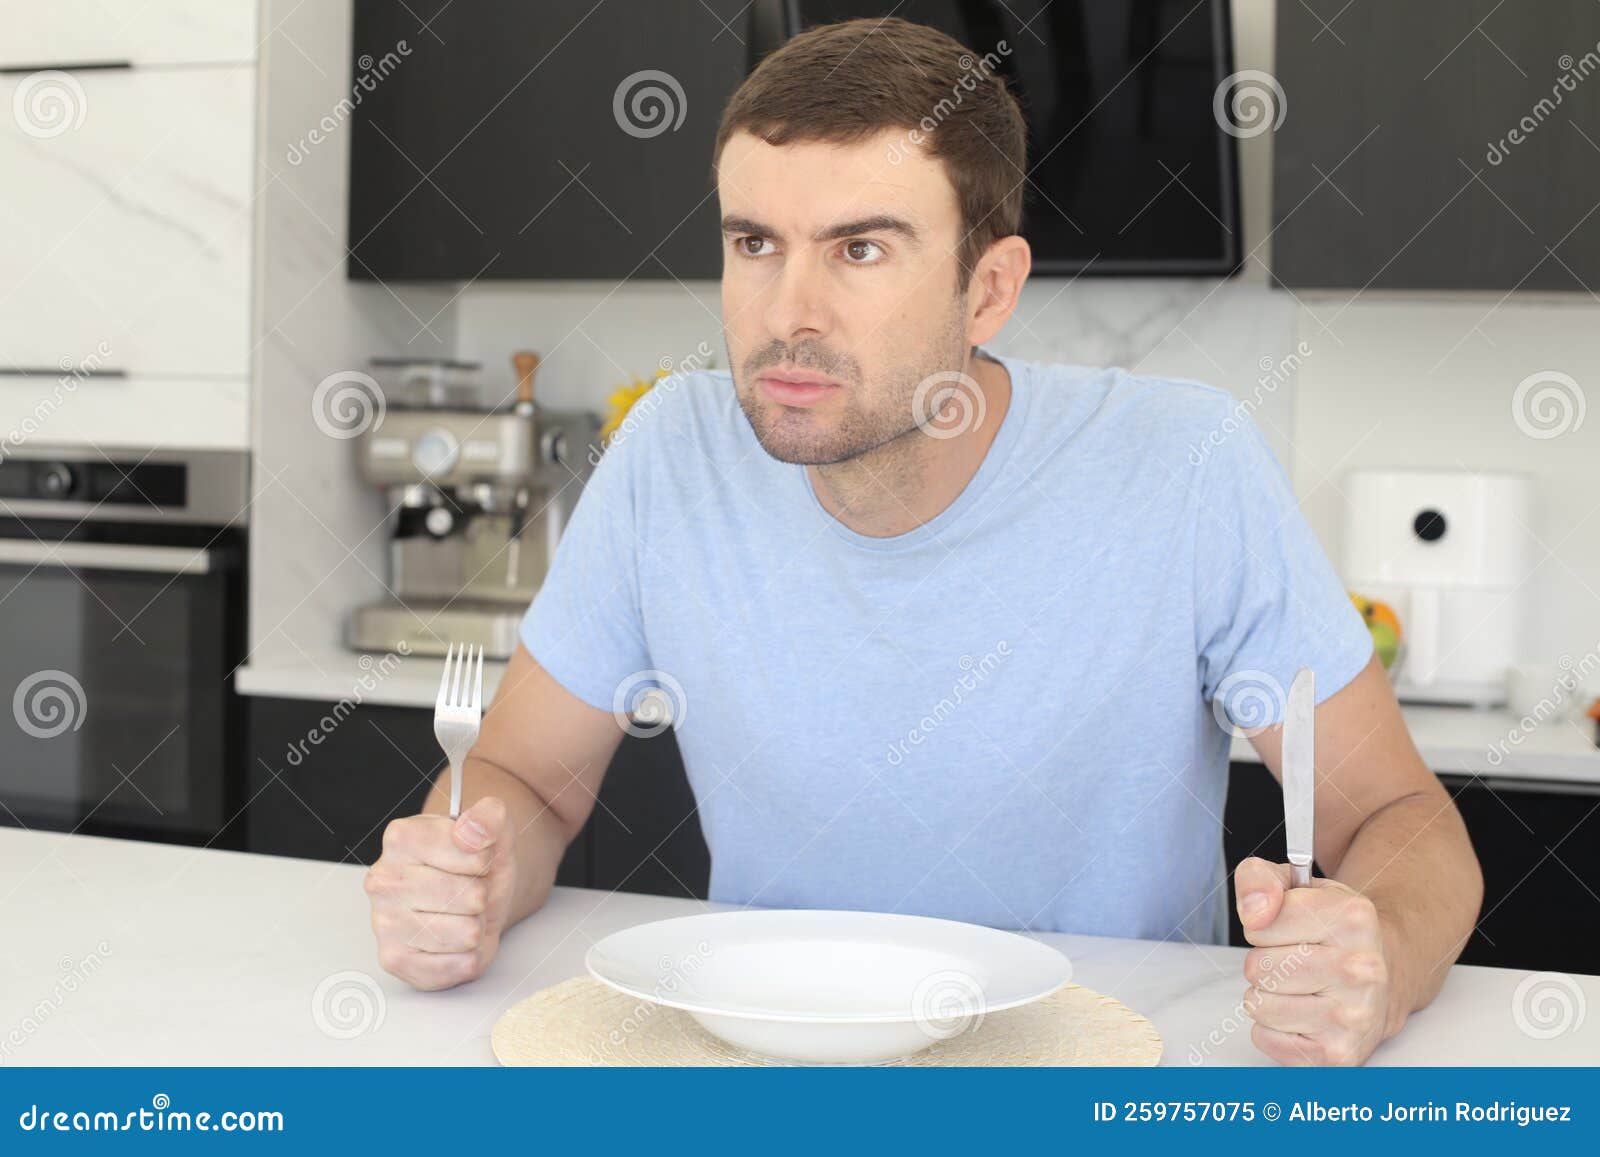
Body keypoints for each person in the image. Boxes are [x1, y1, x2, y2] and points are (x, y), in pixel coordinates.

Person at [364, 17, 1481, 1067]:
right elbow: (523, 777)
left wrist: (1378, 952)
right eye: (755, 243)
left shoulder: (1183, 464)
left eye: (859, 249)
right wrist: (470, 868)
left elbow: (1398, 816)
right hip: (770, 1068)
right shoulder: (669, 451)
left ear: (988, 289)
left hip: (1093, 1074)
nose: (787, 312)